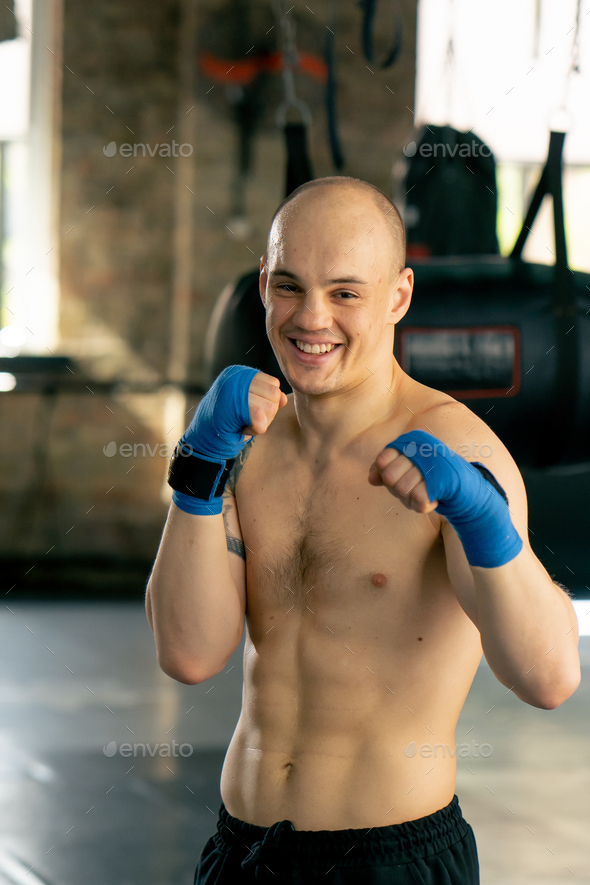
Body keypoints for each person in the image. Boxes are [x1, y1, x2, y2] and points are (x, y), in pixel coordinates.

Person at [145, 176, 581, 884]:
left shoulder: (457, 452)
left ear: (398, 296)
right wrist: (196, 471)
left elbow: (550, 677)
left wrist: (482, 516)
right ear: (263, 283)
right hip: (242, 852)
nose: (311, 317)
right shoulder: (245, 440)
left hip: (389, 859)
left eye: (345, 292)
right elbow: (190, 653)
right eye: (289, 285)